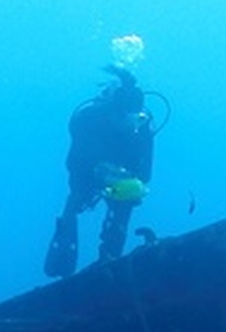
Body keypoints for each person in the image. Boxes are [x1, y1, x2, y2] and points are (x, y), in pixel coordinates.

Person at [44, 65, 156, 278]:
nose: (130, 119)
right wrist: (99, 171)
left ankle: (109, 259)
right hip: (87, 174)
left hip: (122, 181)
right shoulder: (91, 117)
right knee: (76, 201)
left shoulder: (142, 126)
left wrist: (130, 182)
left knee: (124, 204)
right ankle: (62, 250)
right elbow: (75, 161)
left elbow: (145, 173)